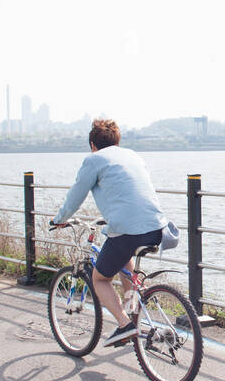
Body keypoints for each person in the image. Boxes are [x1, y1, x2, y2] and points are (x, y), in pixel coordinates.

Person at [50, 118, 169, 348]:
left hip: (127, 231)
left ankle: (125, 325)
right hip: (156, 227)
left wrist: (59, 220)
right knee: (127, 267)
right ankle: (133, 313)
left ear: (93, 145)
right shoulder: (133, 155)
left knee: (100, 279)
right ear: (117, 141)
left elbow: (76, 195)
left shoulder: (94, 160)